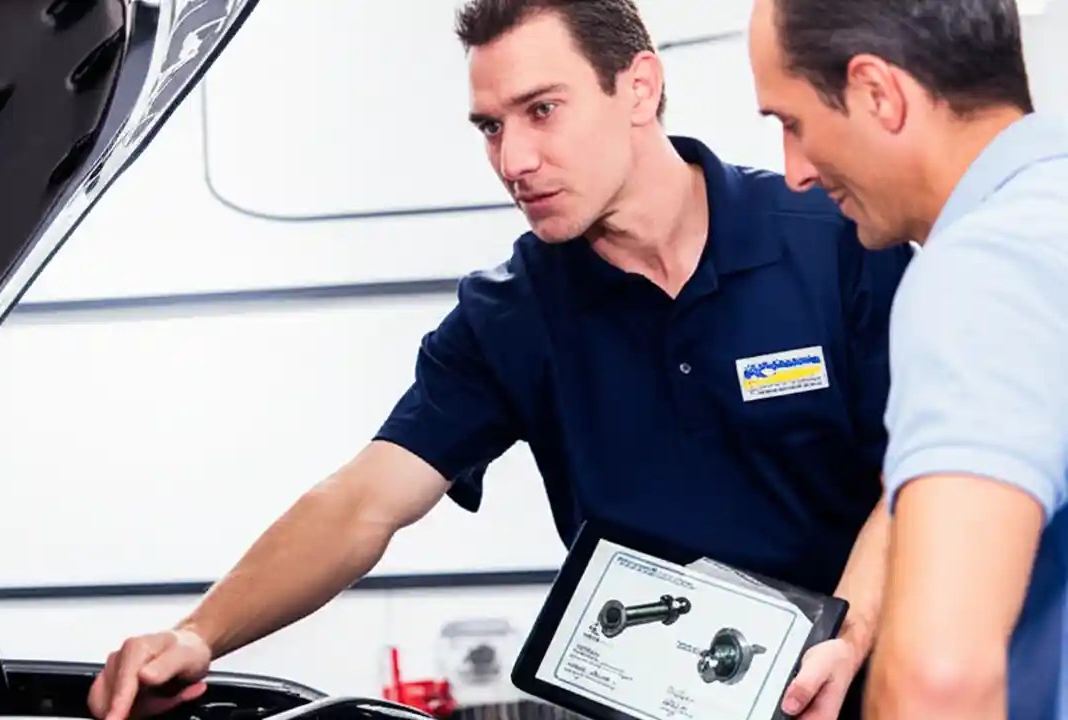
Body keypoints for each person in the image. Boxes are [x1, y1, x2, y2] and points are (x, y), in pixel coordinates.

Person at [87, 2, 914, 719]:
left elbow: (914, 476)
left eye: (541, 110)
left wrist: (845, 640)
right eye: (491, 127)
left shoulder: (834, 241)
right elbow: (362, 502)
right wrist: (198, 633)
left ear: (638, 87)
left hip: (869, 692)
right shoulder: (509, 316)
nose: (513, 160)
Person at [746, 0, 1068, 718]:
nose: (795, 172)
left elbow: (939, 682)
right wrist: (856, 632)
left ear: (876, 94)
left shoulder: (983, 269)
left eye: (793, 123)